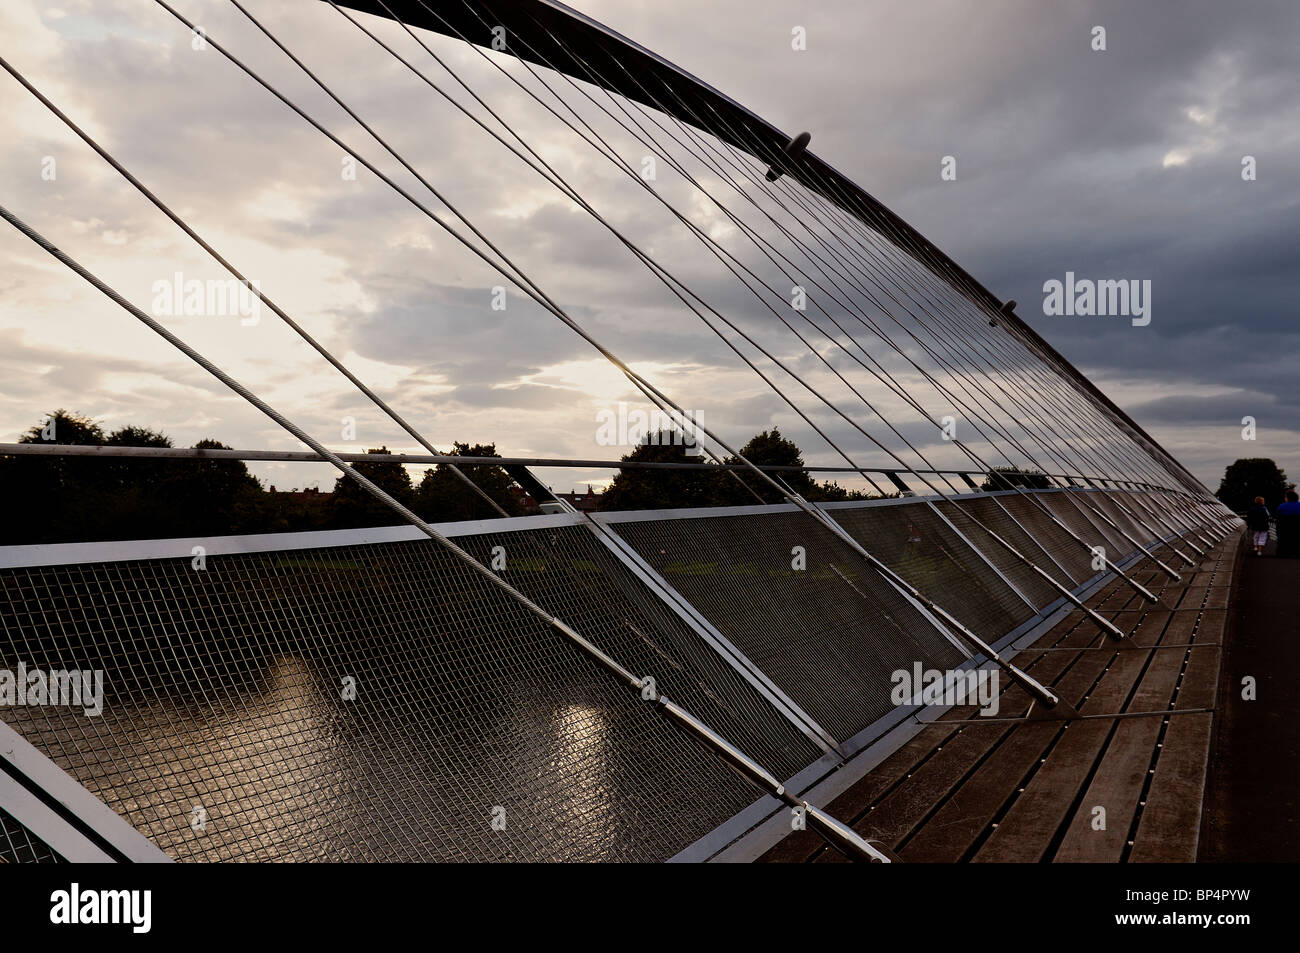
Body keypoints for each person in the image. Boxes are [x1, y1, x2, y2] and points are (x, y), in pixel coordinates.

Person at [1276, 489, 1300, 558]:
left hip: (1284, 525)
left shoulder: (1282, 506)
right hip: (1297, 525)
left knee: (1283, 539)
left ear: (1287, 498)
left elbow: (1277, 515)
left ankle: (1282, 553)